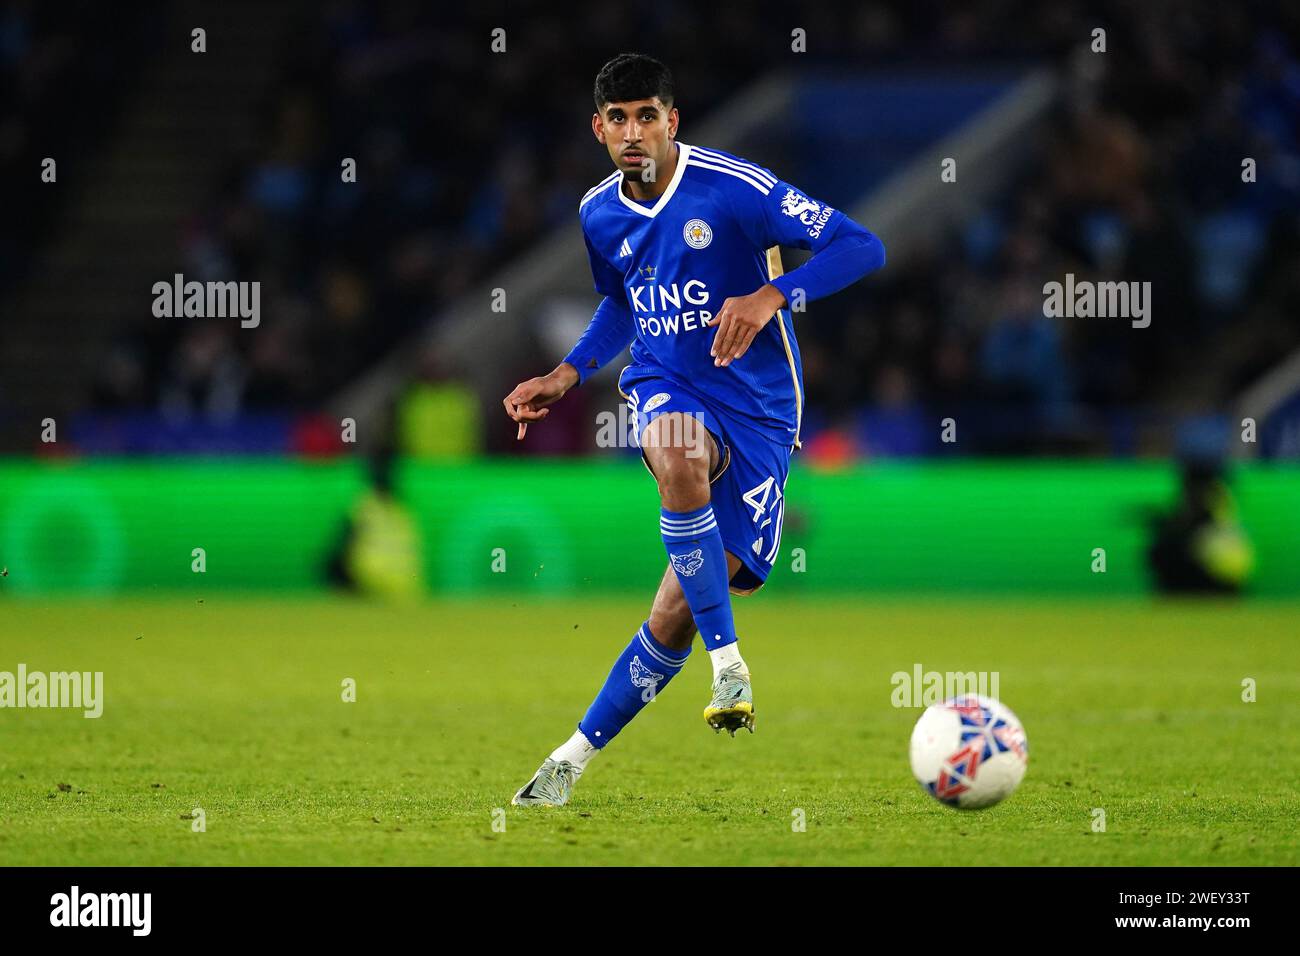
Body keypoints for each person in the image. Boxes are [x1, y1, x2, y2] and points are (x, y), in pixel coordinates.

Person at [503, 53, 885, 805]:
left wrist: (773, 293)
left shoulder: (735, 189)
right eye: (619, 119)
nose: (634, 132)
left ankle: (568, 762)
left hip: (761, 411)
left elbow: (859, 244)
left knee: (670, 617)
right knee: (677, 454)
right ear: (599, 129)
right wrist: (570, 371)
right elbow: (621, 298)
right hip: (666, 382)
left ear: (671, 121)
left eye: (648, 115)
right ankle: (732, 664)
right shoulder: (598, 212)